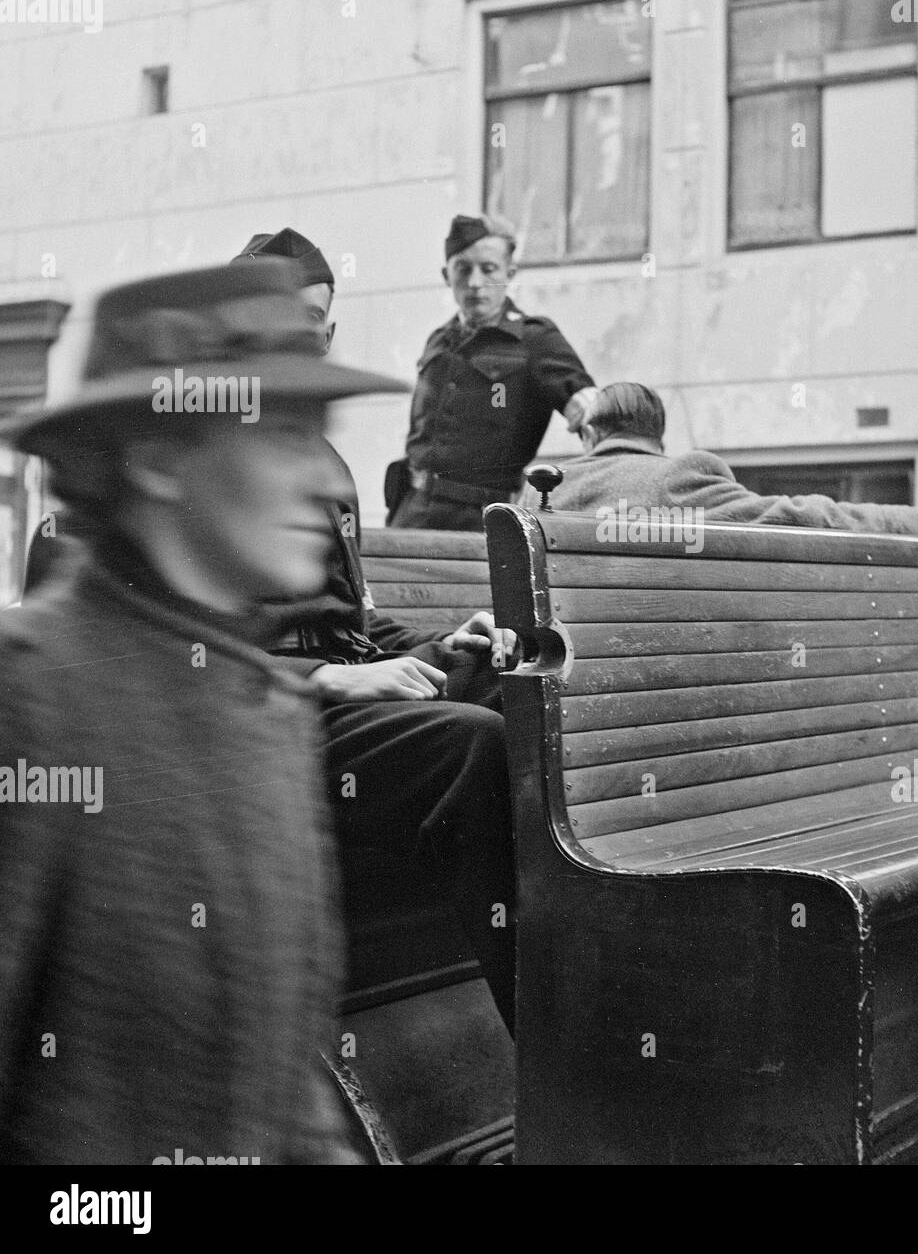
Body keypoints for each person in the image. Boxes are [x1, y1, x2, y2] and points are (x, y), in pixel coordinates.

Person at [0, 259, 407, 1163]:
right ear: (158, 458)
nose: (331, 486)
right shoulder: (33, 699)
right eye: (286, 434)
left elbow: (285, 1082)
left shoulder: (269, 709)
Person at [234, 228, 518, 1031]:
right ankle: (549, 1046)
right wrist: (333, 678)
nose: (308, 337)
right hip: (268, 721)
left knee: (514, 684)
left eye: (320, 321)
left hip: (332, 700)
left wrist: (435, 640)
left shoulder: (316, 452)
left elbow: (344, 621)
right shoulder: (211, 453)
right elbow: (183, 655)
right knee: (474, 744)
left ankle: (597, 958)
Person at [521, 381, 918, 551]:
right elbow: (800, 514)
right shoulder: (677, 477)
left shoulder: (539, 492)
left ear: (591, 435)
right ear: (657, 437)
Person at [388, 213, 597, 530]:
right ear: (446, 275)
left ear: (509, 273)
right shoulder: (439, 341)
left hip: (480, 522)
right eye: (463, 269)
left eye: (488, 270)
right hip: (412, 512)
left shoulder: (535, 339)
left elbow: (594, 417)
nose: (474, 283)